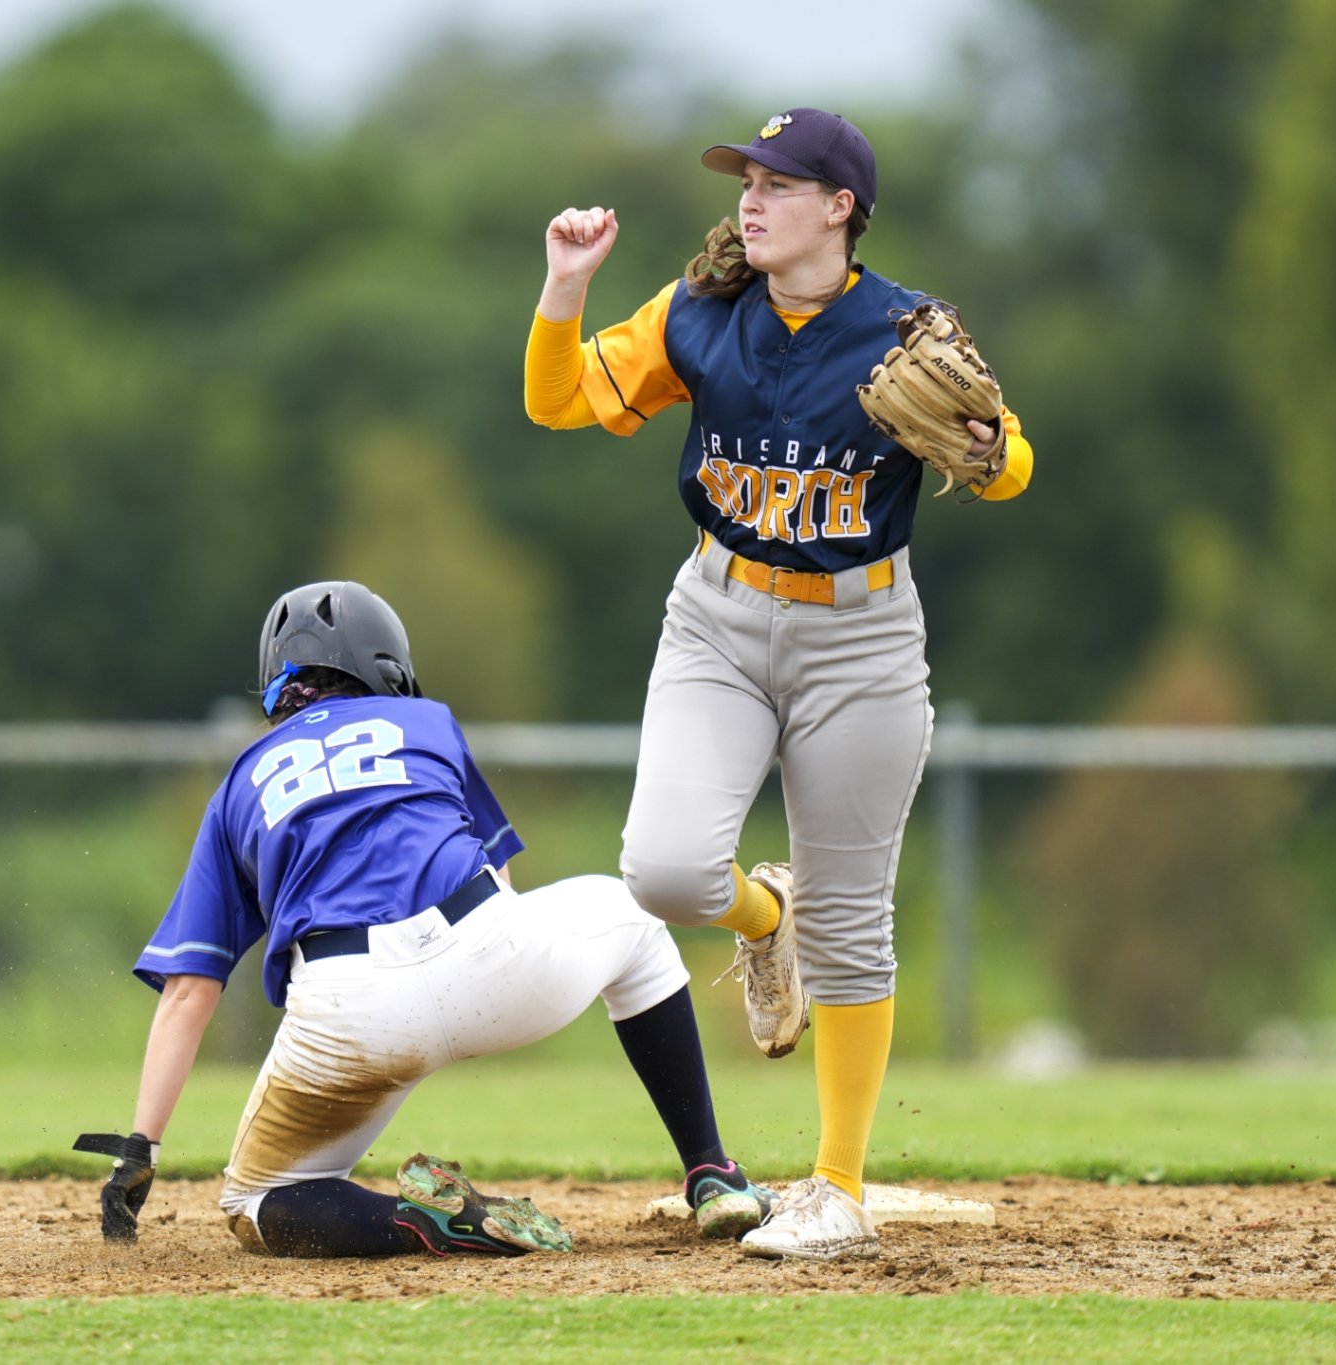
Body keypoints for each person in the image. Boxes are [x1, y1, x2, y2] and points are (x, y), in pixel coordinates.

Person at [525, 108, 1033, 1261]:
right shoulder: (698, 314)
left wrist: (990, 448)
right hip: (716, 615)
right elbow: (557, 400)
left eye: (781, 183)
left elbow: (1007, 473)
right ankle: (766, 919)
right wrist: (565, 289)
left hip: (860, 637)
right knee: (660, 869)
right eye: (746, 179)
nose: (750, 199)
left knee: (857, 926)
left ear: (839, 207)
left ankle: (837, 1188)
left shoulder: (908, 328)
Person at [74, 580, 772, 1258]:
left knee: (259, 1200)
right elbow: (502, 880)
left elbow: (190, 989)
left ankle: (423, 1221)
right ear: (385, 666)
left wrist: (140, 1147)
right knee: (635, 919)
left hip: (349, 1012)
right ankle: (711, 1173)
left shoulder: (241, 781)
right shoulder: (425, 721)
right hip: (487, 953)